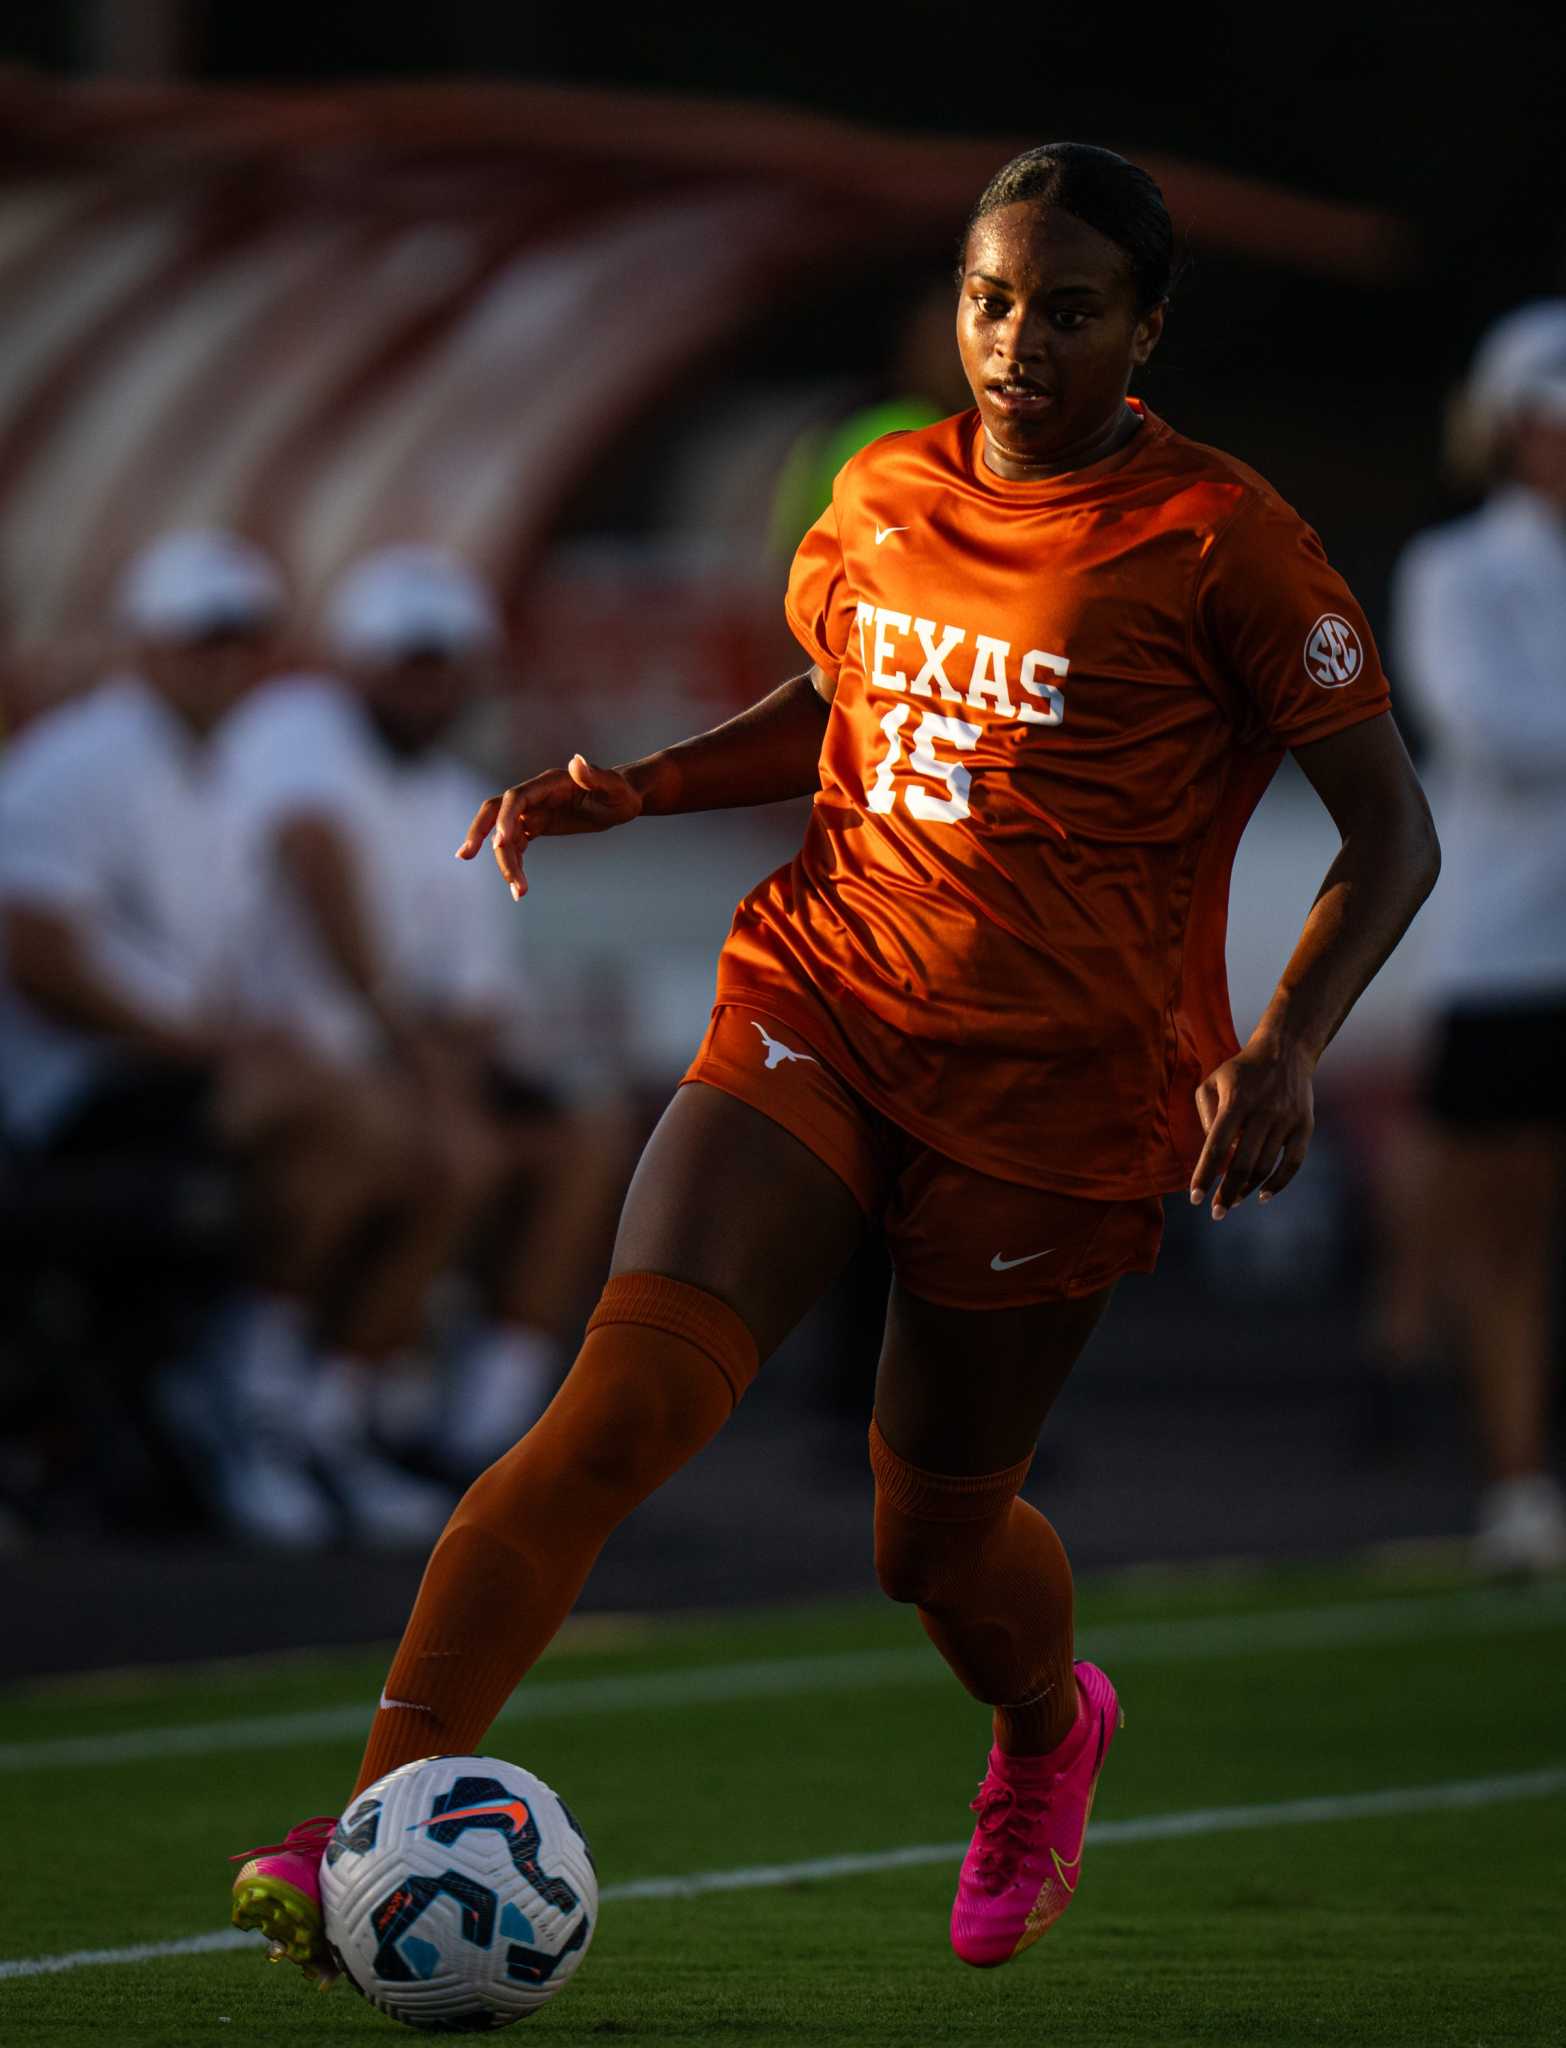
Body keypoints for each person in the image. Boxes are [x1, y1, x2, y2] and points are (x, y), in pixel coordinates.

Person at [230, 143, 1438, 1981]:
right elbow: (843, 699)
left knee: (931, 1542)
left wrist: (1281, 1045)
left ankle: (1046, 1730)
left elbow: (1390, 835)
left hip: (1061, 1092)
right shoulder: (879, 486)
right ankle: (374, 1818)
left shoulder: (1226, 544)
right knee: (611, 1411)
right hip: (820, 993)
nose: (1019, 340)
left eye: (1069, 307)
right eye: (990, 298)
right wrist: (643, 780)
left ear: (1147, 327)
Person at [0, 531, 435, 1548]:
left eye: (244, 640)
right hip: (67, 1087)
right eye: (204, 639)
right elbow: (40, 956)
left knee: (368, 1140)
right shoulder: (80, 763)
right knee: (361, 1121)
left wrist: (234, 1038)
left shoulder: (217, 769)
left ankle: (263, 1401)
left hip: (155, 1072)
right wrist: (208, 1046)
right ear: (146, 646)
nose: (226, 660)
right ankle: (258, 1403)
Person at [219, 547, 630, 1481]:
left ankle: (480, 1424)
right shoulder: (297, 728)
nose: (429, 684)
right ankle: (302, 1409)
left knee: (587, 1139)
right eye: (409, 660)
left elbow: (474, 998)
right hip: (290, 1052)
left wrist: (444, 1064)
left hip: (379, 1061)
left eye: (446, 663)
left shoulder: (450, 794)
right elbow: (312, 859)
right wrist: (422, 1059)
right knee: (449, 1153)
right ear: (356, 662)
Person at [1388, 301, 1566, 1575]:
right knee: (1502, 1234)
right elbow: (1498, 728)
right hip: (1510, 950)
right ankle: (1516, 1482)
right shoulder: (1456, 571)